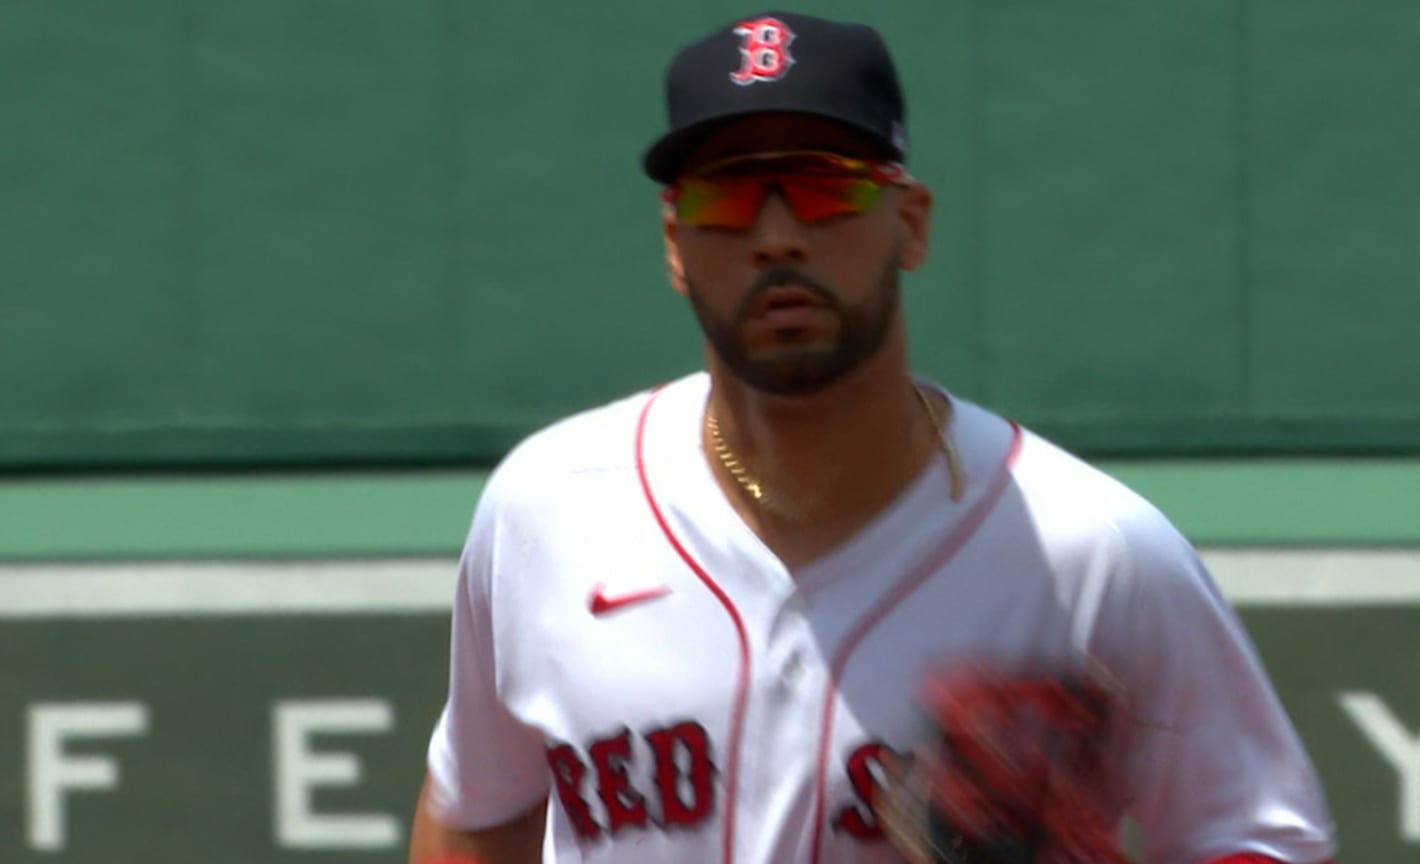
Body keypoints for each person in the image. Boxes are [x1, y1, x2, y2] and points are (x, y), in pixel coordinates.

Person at [408, 10, 1336, 864]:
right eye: (724, 199)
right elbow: (474, 811)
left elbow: (1261, 833)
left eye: (824, 189)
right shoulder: (550, 506)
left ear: (911, 224)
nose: (777, 236)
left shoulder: (1089, 552)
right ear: (673, 243)